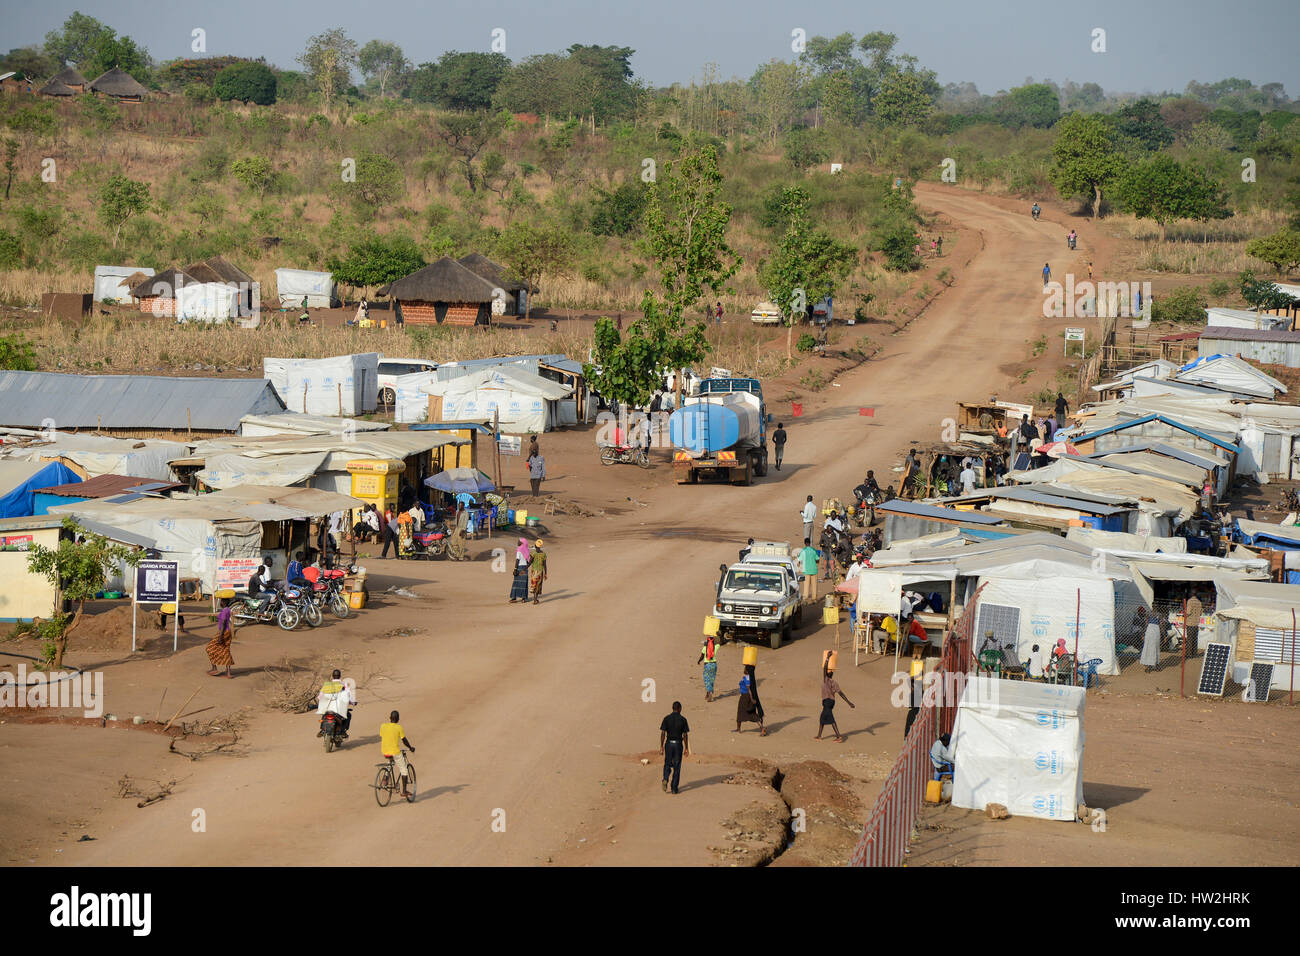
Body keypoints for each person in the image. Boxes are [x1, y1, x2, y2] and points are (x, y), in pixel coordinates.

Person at [814, 661, 855, 742]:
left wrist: (827, 659)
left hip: (827, 702)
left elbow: (824, 669)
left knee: (831, 719)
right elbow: (841, 693)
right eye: (830, 671)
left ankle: (839, 736)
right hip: (831, 702)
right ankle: (819, 736)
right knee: (822, 718)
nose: (830, 672)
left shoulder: (826, 680)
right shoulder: (834, 682)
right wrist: (849, 702)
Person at [379, 710, 415, 799]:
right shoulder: (399, 727)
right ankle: (404, 791)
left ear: (389, 718)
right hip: (395, 752)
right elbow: (404, 740)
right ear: (398, 719)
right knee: (404, 770)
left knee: (390, 762)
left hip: (385, 751)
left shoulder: (383, 726)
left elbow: (384, 736)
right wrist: (410, 747)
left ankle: (385, 778)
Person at [659, 701, 690, 794]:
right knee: (677, 766)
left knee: (667, 763)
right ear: (679, 709)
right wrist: (686, 748)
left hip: (669, 744)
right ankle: (674, 788)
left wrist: (661, 746)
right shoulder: (683, 720)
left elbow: (663, 733)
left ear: (672, 708)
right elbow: (685, 735)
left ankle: (665, 778)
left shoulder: (666, 718)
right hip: (678, 745)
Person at [317, 668, 356, 736]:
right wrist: (353, 702)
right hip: (339, 709)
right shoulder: (343, 685)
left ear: (332, 676)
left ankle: (322, 730)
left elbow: (320, 697)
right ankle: (343, 731)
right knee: (348, 715)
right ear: (340, 676)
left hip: (328, 708)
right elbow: (348, 695)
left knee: (324, 715)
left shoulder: (327, 685)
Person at [206, 598, 235, 678]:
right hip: (227, 632)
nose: (220, 603)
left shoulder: (225, 610)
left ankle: (214, 668)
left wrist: (220, 636)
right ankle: (228, 673)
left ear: (223, 602)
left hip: (223, 632)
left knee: (209, 648)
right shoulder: (228, 609)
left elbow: (224, 622)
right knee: (226, 650)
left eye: (221, 601)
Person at [735, 663, 766, 736]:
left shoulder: (747, 678)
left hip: (745, 697)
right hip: (746, 697)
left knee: (742, 712)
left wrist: (751, 699)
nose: (744, 669)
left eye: (745, 668)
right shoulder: (750, 678)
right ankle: (762, 728)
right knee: (750, 713)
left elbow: (749, 690)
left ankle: (762, 728)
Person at [1138, 605, 1160, 672]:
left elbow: (1146, 623)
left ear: (1152, 607)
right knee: (1155, 647)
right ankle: (1155, 664)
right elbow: (1162, 625)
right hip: (1155, 630)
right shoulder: (1159, 614)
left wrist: (1143, 633)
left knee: (1149, 647)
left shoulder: (1148, 613)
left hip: (1150, 630)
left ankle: (1150, 665)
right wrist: (1164, 636)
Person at [508, 537, 531, 603]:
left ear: (522, 543)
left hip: (519, 567)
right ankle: (524, 598)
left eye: (519, 541)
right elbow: (528, 561)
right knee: (524, 583)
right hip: (525, 568)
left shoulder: (519, 549)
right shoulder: (527, 550)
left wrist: (515, 569)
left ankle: (514, 598)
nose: (517, 542)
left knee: (516, 583)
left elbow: (517, 560)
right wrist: (525, 568)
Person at [698, 635, 719, 702]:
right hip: (714, 665)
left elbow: (702, 656)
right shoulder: (715, 647)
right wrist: (717, 635)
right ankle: (708, 693)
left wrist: (699, 661)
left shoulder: (705, 648)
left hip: (707, 665)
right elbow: (719, 642)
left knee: (707, 680)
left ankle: (709, 692)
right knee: (712, 680)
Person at [798, 537, 819, 602]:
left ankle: (805, 598)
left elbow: (799, 560)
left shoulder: (803, 551)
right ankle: (814, 599)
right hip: (814, 570)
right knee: (814, 585)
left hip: (806, 570)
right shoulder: (814, 550)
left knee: (806, 586)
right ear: (810, 543)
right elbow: (817, 560)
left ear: (805, 543)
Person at [528, 539, 548, 605]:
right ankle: (535, 599)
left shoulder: (533, 553)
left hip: (534, 572)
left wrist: (524, 569)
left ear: (535, 545)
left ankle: (535, 599)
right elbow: (544, 565)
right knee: (538, 585)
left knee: (534, 584)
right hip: (540, 572)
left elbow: (530, 562)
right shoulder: (543, 554)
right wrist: (545, 574)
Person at [1184, 591, 1203, 657]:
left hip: (1190, 622)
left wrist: (1184, 613)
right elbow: (1200, 613)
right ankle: (1194, 653)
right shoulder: (1199, 602)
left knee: (1189, 639)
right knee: (1195, 639)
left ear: (1191, 594)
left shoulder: (1190, 601)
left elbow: (1188, 612)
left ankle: (1189, 654)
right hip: (1196, 623)